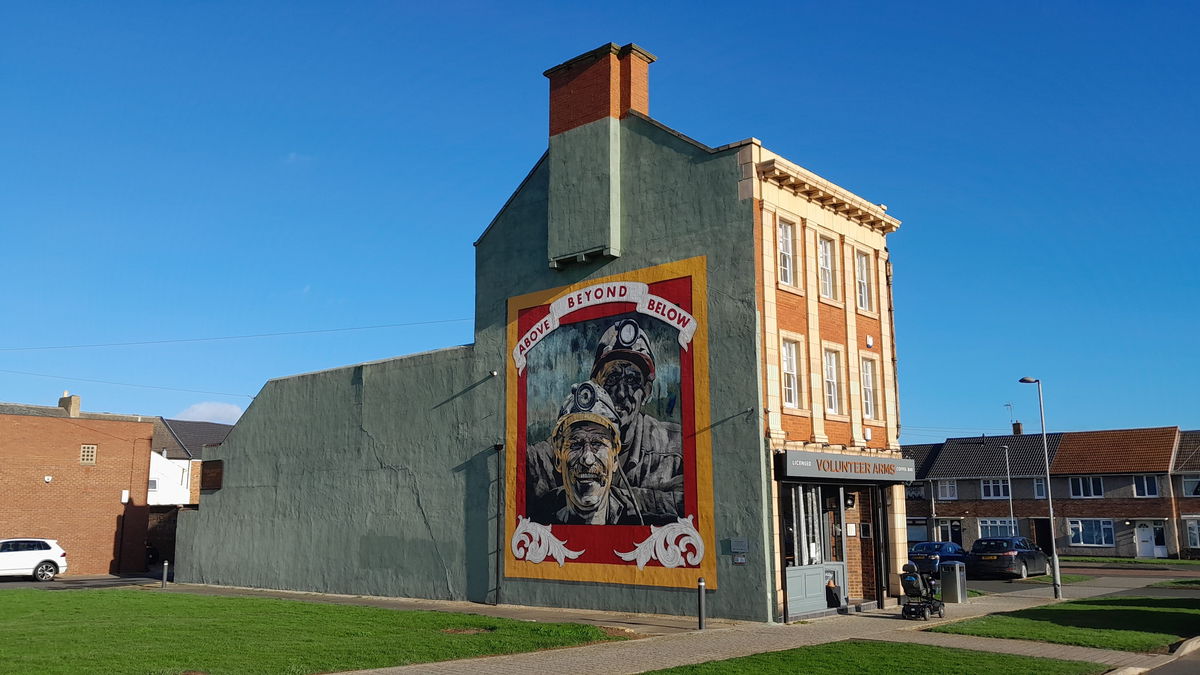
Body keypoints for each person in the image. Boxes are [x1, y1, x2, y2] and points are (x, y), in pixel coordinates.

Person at [590, 318, 683, 522]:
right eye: (612, 379)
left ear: (647, 392)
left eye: (632, 381)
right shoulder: (575, 443)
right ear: (596, 386)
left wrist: (619, 500)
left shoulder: (675, 448)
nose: (622, 393)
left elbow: (688, 499)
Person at [530, 381, 637, 525]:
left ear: (615, 460)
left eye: (597, 444)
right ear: (557, 459)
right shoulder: (536, 519)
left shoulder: (636, 517)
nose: (587, 459)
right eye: (575, 445)